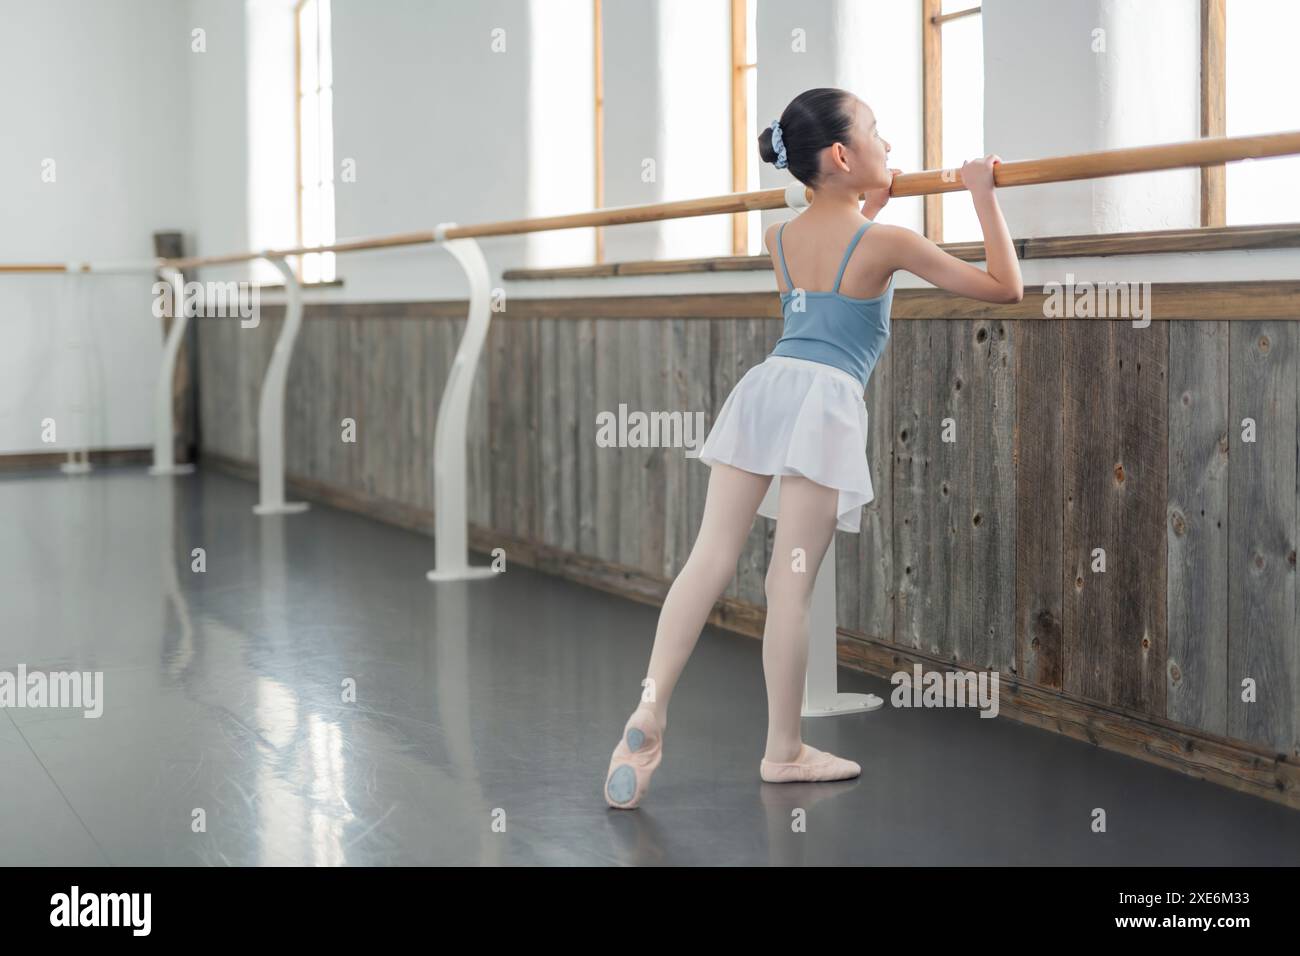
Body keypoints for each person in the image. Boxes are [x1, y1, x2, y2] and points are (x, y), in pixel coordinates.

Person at [604, 87, 1023, 809]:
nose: (888, 147)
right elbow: (1004, 287)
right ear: (842, 154)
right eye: (877, 133)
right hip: (823, 405)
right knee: (787, 587)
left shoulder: (780, 238)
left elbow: (824, 290)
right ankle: (783, 750)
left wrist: (869, 211)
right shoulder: (886, 243)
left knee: (708, 558)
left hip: (767, 388)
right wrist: (982, 192)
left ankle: (650, 706)